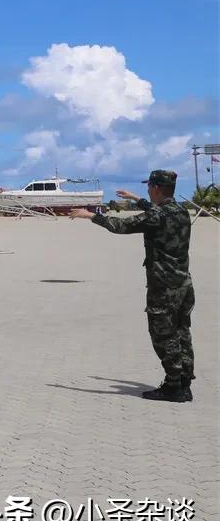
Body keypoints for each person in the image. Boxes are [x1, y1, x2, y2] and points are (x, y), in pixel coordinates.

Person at [71, 170, 195, 403]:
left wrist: (90, 215)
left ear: (157, 188)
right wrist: (136, 198)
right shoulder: (180, 211)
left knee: (163, 335)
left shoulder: (158, 215)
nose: (148, 189)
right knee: (182, 332)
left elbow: (122, 225)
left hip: (163, 287)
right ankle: (184, 383)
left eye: (149, 186)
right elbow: (156, 212)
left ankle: (173, 386)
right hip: (183, 284)